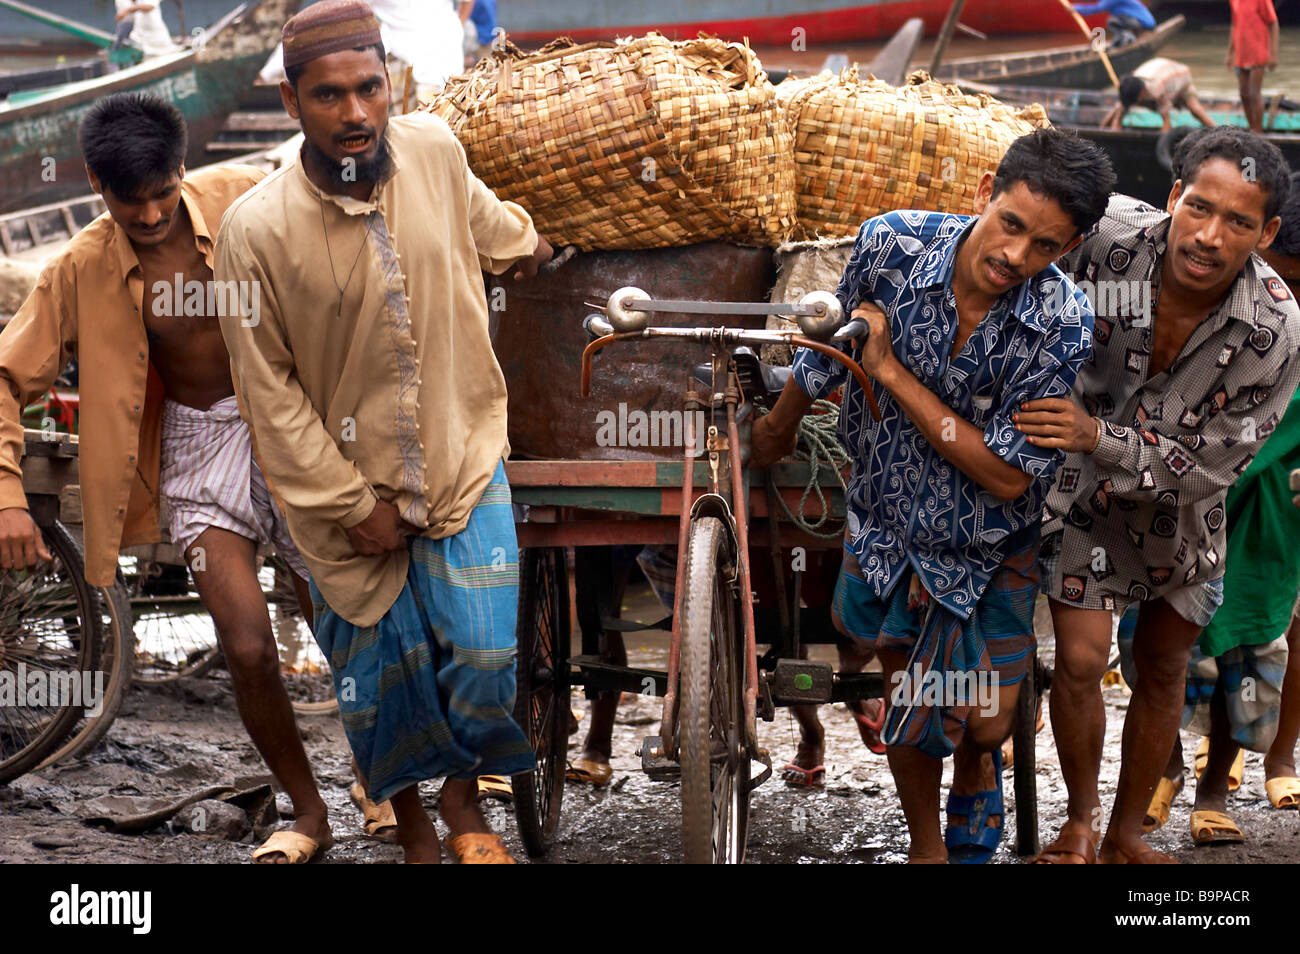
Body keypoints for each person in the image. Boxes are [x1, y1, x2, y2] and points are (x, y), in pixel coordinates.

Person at [0, 92, 395, 865]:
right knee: (247, 645)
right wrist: (8, 496)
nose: (148, 216)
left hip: (294, 428)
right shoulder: (79, 267)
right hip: (194, 447)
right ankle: (305, 811)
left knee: (345, 623)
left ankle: (378, 778)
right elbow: (6, 374)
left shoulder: (251, 196)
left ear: (184, 170)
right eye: (128, 200)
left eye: (161, 194)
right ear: (93, 183)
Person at [214, 0, 553, 865]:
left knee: (482, 655)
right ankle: (416, 830)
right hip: (339, 492)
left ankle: (462, 799)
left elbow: (494, 229)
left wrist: (545, 245)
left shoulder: (436, 151)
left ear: (390, 84)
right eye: (329, 96)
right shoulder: (252, 231)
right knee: (376, 679)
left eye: (369, 89)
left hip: (462, 452)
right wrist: (349, 503)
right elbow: (269, 395)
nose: (355, 113)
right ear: (292, 105)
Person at [752, 128, 1116, 863]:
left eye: (1045, 246)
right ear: (985, 192)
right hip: (887, 522)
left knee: (982, 722)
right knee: (911, 702)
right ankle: (927, 848)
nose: (1016, 256)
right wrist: (778, 427)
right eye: (1011, 224)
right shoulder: (889, 244)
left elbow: (1010, 476)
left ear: (1069, 247)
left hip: (987, 541)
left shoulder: (1062, 320)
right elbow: (832, 352)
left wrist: (891, 375)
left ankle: (980, 763)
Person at [1017, 126, 1300, 863]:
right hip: (1078, 497)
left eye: (1238, 222)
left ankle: (1125, 834)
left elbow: (1214, 466)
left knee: (1165, 667)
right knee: (1079, 664)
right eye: (1200, 208)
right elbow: (1012, 271)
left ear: (1265, 232)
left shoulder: (1276, 328)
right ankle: (1080, 821)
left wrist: (1095, 436)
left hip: (1184, 516)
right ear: (1174, 196)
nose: (1209, 236)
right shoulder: (1105, 240)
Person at [1141, 168, 1300, 838]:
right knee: (1160, 648)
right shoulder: (1198, 300)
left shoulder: (1283, 325)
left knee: (1247, 647)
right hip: (1176, 505)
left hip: (1264, 519)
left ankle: (1215, 787)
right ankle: (1163, 770)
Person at [1103, 58, 1215, 133]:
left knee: (1195, 109)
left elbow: (1167, 122)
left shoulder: (1157, 90)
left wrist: (1161, 144)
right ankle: (1102, 127)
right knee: (1119, 109)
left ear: (1141, 95)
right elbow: (1120, 112)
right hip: (1161, 75)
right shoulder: (1131, 84)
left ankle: (1217, 131)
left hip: (1181, 80)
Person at [1227, 0, 1280, 134]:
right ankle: (1252, 128)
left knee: (1254, 93)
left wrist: (1273, 54)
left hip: (1258, 52)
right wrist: (1229, 53)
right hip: (1241, 52)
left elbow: (1273, 23)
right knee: (1244, 94)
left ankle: (1258, 130)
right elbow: (1235, 25)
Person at [1072, 0, 1156, 49]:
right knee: (1116, 20)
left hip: (1144, 24)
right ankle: (1126, 39)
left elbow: (1098, 8)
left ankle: (1127, 39)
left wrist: (1075, 9)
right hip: (1141, 23)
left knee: (1112, 21)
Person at [113, 0, 181, 59]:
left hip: (157, 37)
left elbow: (149, 7)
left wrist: (128, 10)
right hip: (141, 38)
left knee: (164, 56)